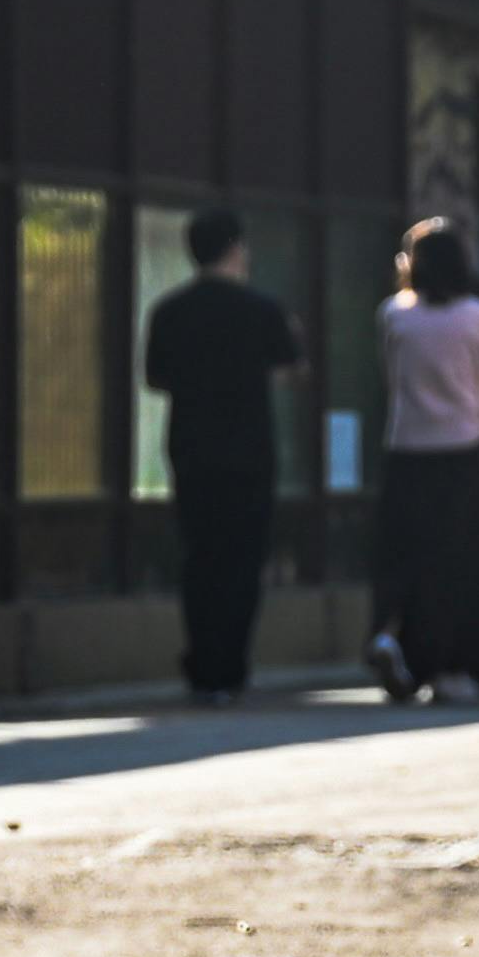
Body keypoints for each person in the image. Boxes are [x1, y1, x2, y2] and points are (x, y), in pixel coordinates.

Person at [140, 205, 306, 704]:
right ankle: (231, 668)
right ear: (235, 248)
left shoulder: (169, 311)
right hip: (249, 450)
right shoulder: (262, 309)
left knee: (200, 557)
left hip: (191, 448)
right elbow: (292, 368)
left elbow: (155, 379)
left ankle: (202, 665)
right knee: (242, 559)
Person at [371, 219, 479, 704]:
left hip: (407, 450)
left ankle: (402, 647)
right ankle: (455, 668)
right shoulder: (478, 316)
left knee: (410, 558)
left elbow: (391, 382)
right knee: (461, 565)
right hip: (463, 452)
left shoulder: (394, 315)